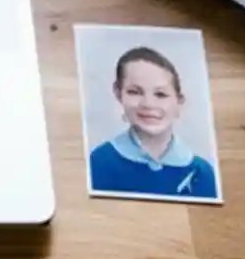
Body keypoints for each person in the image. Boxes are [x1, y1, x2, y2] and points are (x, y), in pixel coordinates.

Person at [88, 46, 218, 200]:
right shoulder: (98, 162)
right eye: (135, 92)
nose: (148, 104)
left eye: (161, 94)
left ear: (179, 102)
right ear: (118, 93)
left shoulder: (203, 173)